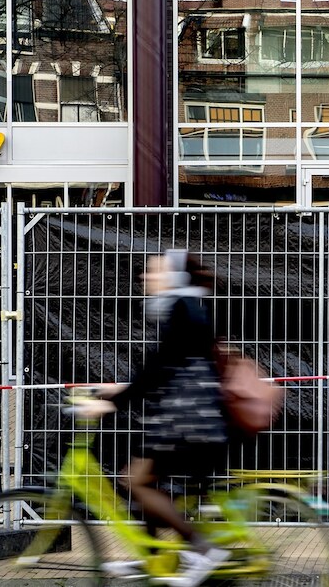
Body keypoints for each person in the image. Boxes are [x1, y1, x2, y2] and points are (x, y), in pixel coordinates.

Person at [78, 249, 230, 587]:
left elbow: (160, 368)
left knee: (135, 480)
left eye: (155, 272)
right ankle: (153, 558)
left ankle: (203, 550)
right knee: (143, 481)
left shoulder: (181, 308)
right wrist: (121, 390)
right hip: (187, 420)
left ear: (174, 278)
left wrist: (114, 402)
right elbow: (162, 366)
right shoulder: (183, 308)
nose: (146, 278)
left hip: (189, 422)